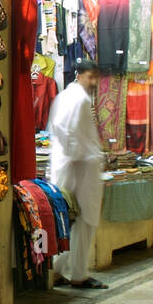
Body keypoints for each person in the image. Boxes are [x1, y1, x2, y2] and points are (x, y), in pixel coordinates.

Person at [48, 59, 106, 289]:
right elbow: (65, 129)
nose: (93, 82)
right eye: (90, 77)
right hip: (80, 167)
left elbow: (58, 127)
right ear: (80, 75)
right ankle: (79, 274)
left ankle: (57, 271)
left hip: (69, 164)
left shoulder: (65, 96)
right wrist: (79, 155)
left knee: (66, 218)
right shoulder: (79, 98)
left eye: (95, 77)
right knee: (85, 219)